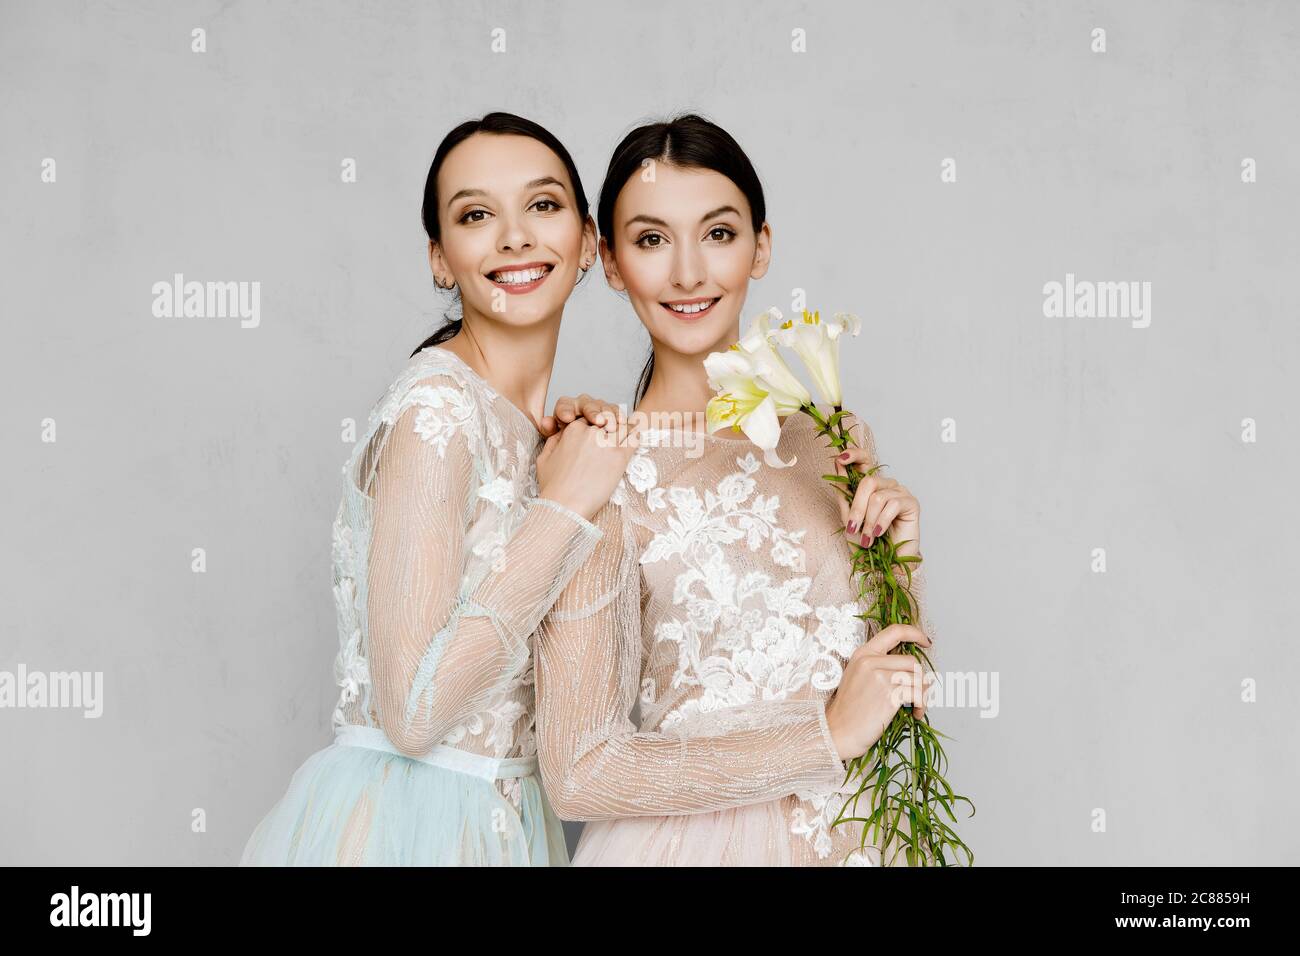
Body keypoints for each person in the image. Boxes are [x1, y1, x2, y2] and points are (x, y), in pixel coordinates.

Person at [533, 114, 937, 866]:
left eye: (717, 233)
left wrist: (901, 574)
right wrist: (823, 737)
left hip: (857, 841)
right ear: (611, 261)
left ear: (762, 247)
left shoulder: (831, 438)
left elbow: (899, 706)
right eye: (652, 240)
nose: (689, 273)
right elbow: (578, 773)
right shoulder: (598, 467)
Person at [241, 112, 635, 866]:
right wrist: (563, 510)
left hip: (501, 817)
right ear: (441, 260)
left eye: (542, 206)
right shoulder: (436, 412)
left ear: (587, 242)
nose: (515, 237)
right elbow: (414, 716)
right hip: (408, 826)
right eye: (477, 215)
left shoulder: (527, 427)